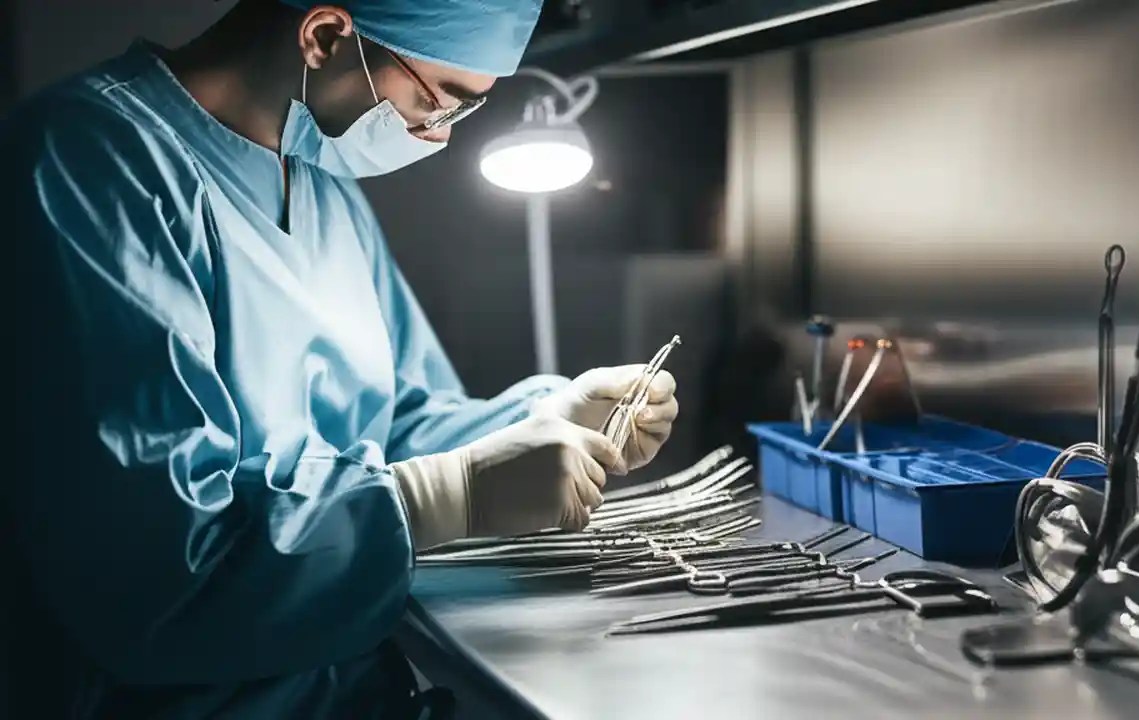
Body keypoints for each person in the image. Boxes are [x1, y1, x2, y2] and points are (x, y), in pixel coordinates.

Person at [2, 0, 678, 716]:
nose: (436, 137)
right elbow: (155, 579)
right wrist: (446, 495)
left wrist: (545, 417)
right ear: (325, 37)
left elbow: (395, 421)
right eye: (439, 101)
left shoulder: (320, 181)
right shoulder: (90, 165)